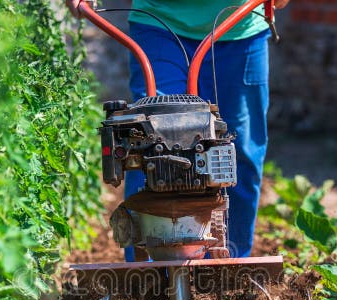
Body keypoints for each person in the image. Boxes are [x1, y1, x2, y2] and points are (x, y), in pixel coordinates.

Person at [67, 0, 289, 260]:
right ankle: (148, 273)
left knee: (239, 152)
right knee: (147, 142)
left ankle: (229, 269)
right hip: (160, 22)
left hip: (239, 27)